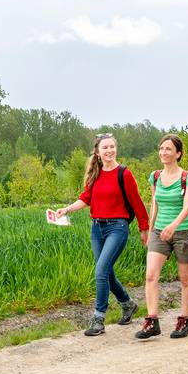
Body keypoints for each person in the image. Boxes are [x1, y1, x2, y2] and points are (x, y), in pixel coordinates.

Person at [54, 133, 149, 336]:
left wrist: (144, 229)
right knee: (105, 272)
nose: (109, 151)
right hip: (97, 228)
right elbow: (85, 198)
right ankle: (127, 303)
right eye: (104, 148)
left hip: (118, 228)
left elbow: (137, 203)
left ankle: (98, 318)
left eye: (111, 147)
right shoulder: (95, 175)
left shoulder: (124, 173)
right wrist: (66, 210)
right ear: (97, 152)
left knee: (100, 271)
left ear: (116, 149)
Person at [134, 134, 188, 340]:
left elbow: (187, 207)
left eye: (168, 149)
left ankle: (183, 320)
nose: (164, 152)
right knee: (151, 275)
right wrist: (150, 229)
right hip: (159, 232)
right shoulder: (154, 176)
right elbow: (155, 203)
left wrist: (173, 226)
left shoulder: (187, 177)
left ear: (178, 153)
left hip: (184, 232)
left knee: (185, 279)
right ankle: (152, 320)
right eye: (161, 148)